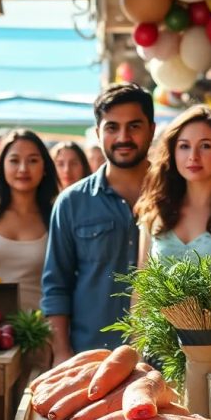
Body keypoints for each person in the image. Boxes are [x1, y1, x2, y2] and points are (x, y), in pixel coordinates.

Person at [42, 83, 156, 363]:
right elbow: (56, 285)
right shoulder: (71, 203)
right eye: (112, 127)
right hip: (92, 357)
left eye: (134, 126)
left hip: (165, 359)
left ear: (151, 130)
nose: (123, 137)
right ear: (97, 133)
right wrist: (62, 353)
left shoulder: (176, 197)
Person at [136, 105, 211, 339]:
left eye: (205, 146)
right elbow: (141, 290)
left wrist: (204, 343)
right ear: (173, 153)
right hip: (160, 353)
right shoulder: (154, 211)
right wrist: (139, 347)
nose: (193, 156)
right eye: (184, 146)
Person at [0, 129, 59, 310]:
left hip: (42, 330)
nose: (23, 168)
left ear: (45, 167)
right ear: (2, 166)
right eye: (14, 160)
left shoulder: (57, 217)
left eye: (33, 160)